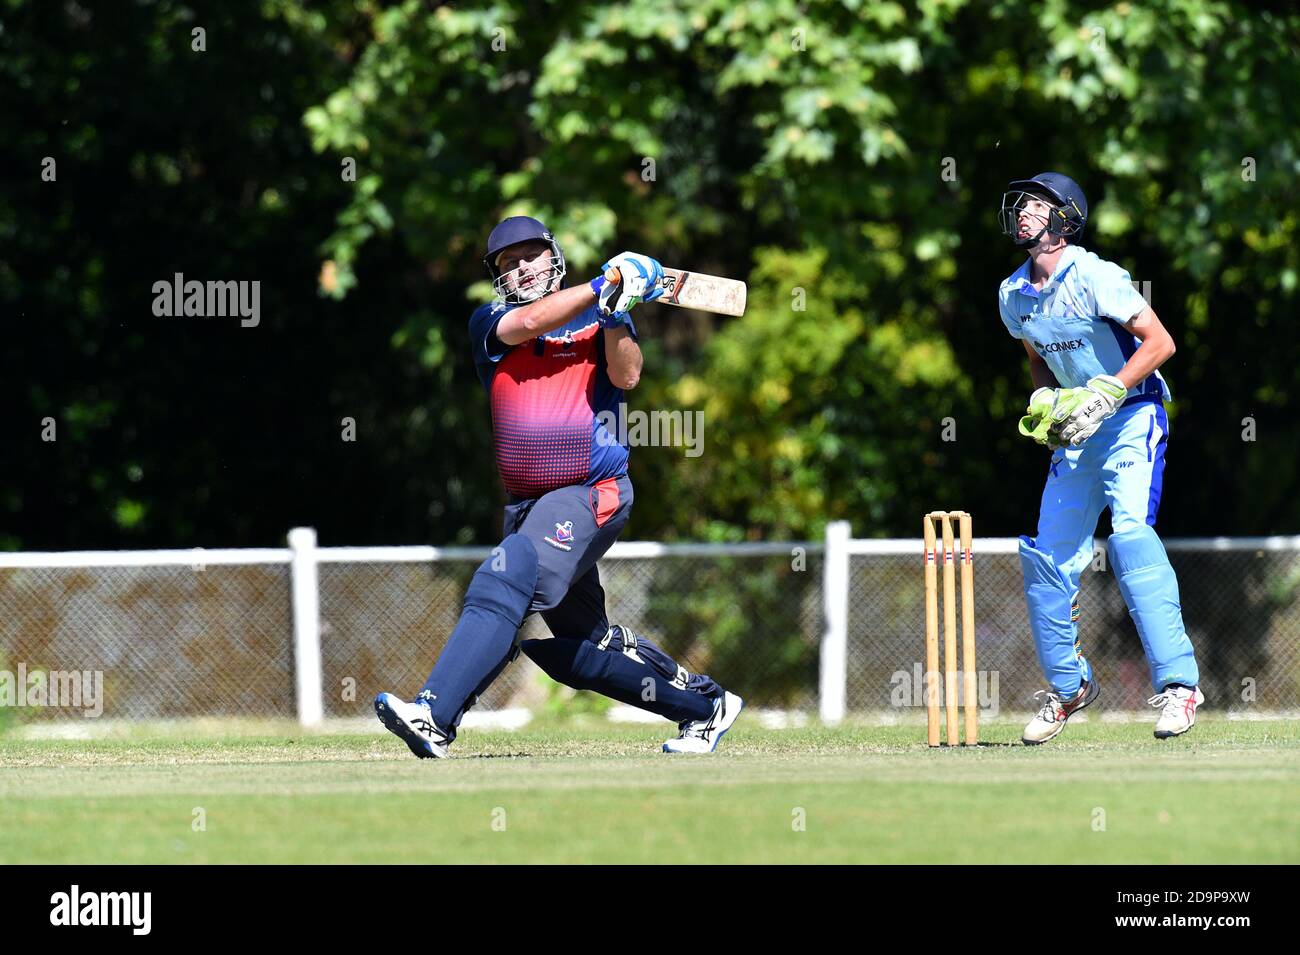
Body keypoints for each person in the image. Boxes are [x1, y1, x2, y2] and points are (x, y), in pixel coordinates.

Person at [375, 215, 742, 757]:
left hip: (591, 492)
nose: (523, 267)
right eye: (509, 262)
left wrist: (614, 313)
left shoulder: (602, 314)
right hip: (529, 507)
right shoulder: (489, 321)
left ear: (554, 258)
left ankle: (433, 715)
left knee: (505, 576)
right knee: (582, 649)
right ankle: (705, 708)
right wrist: (600, 285)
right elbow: (529, 323)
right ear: (498, 277)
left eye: (532, 255)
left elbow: (627, 375)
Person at [996, 172, 1203, 744]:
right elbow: (1037, 356)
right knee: (1048, 558)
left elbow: (1161, 343)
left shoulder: (1095, 275)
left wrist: (1110, 389)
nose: (1023, 213)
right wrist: (1045, 397)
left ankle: (1180, 688)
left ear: (1064, 219)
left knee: (1131, 536)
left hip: (1132, 414)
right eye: (1021, 206)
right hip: (1078, 430)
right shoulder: (1012, 294)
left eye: (1036, 206)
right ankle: (1069, 689)